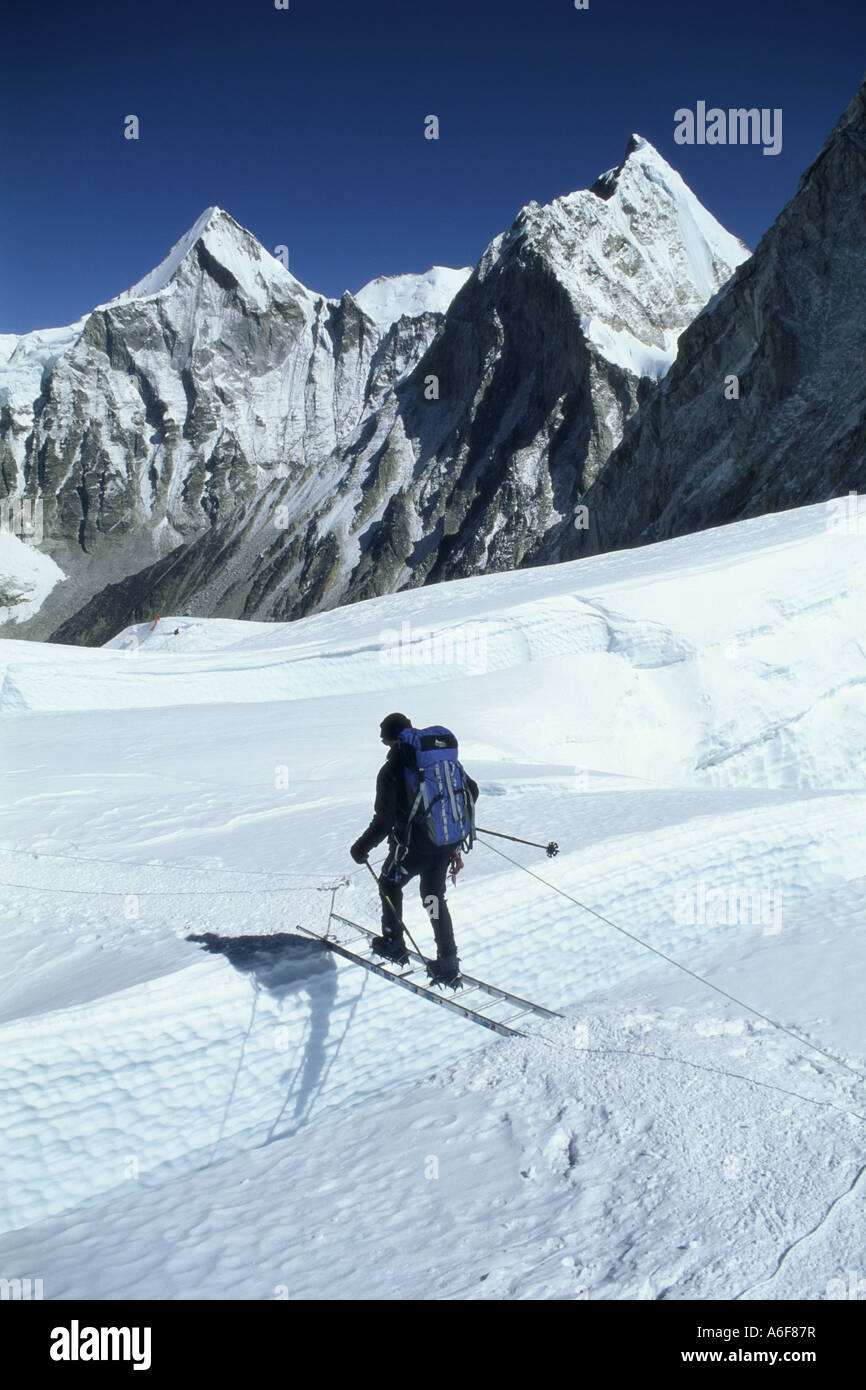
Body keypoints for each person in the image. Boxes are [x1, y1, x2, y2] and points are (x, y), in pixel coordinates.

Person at [349, 713, 478, 988]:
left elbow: (384, 820)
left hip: (414, 849)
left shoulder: (394, 769)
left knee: (389, 884)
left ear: (390, 740)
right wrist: (444, 817)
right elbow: (472, 791)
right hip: (444, 845)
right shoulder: (440, 761)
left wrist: (361, 847)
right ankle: (447, 959)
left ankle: (393, 941)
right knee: (433, 897)